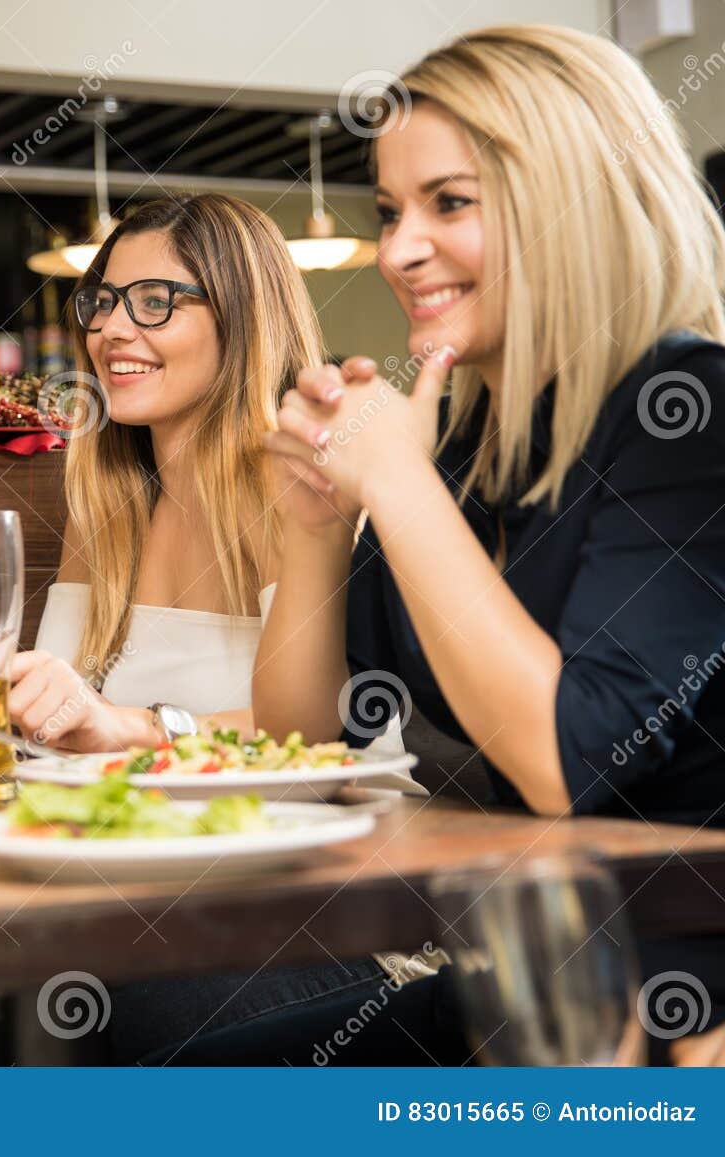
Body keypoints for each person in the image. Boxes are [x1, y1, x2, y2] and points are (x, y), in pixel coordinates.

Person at [153, 23, 725, 1065]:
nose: (398, 250)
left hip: (674, 1016)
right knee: (176, 1090)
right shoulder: (474, 443)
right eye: (389, 211)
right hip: (536, 985)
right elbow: (307, 730)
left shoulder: (689, 410)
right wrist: (315, 522)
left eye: (449, 203)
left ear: (573, 205)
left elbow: (569, 759)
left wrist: (397, 483)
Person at [8, 195, 325, 751]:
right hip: (145, 809)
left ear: (241, 320)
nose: (111, 329)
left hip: (321, 805)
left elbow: (325, 727)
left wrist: (139, 729)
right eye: (102, 302)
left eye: (155, 301)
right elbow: (53, 720)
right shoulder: (106, 502)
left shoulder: (291, 485)